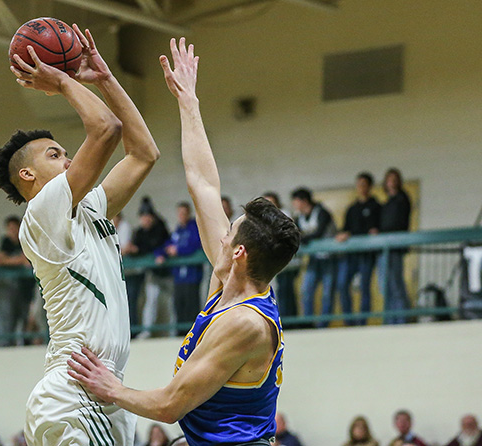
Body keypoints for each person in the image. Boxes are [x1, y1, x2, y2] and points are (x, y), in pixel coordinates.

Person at [68, 38, 300, 446]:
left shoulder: (245, 323)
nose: (222, 232)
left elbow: (170, 406)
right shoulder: (231, 278)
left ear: (240, 252)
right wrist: (188, 101)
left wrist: (109, 387)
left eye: (230, 232)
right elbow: (204, 185)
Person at [0, 24, 159, 446]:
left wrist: (105, 79)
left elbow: (144, 153)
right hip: (72, 392)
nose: (68, 161)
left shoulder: (89, 208)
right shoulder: (42, 212)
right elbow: (105, 129)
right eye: (55, 155)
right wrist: (64, 82)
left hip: (107, 392)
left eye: (68, 153)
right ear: (28, 175)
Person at [336, 172, 381, 325]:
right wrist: (343, 234)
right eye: (359, 184)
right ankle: (349, 320)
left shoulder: (376, 206)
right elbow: (345, 229)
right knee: (342, 284)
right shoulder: (352, 208)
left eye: (364, 184)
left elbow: (377, 229)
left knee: (364, 287)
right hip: (351, 254)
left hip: (367, 254)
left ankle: (363, 321)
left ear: (369, 186)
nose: (361, 188)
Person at [292, 187, 337, 328]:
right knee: (306, 290)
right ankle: (308, 322)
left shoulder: (322, 212)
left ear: (304, 201)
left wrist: (304, 238)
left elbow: (319, 232)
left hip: (329, 258)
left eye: (296, 201)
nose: (294, 205)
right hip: (314, 258)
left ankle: (324, 324)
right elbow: (296, 233)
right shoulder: (299, 218)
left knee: (327, 293)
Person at [157, 202, 203, 335]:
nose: (181, 216)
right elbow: (166, 246)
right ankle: (180, 336)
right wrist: (161, 254)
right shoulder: (177, 231)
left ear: (189, 213)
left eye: (184, 213)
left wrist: (179, 250)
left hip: (192, 277)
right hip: (178, 278)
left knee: (191, 308)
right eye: (179, 213)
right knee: (179, 307)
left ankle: (192, 337)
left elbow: (195, 245)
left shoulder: (194, 228)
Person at [128, 198, 172, 339]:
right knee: (150, 301)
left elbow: (163, 245)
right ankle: (146, 331)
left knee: (171, 303)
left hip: (167, 272)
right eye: (143, 217)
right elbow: (138, 248)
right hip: (153, 274)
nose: (145, 220)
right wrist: (134, 249)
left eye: (147, 217)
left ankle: (173, 332)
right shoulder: (140, 232)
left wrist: (160, 254)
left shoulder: (161, 228)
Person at [0, 216, 34, 345]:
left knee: (26, 316)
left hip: (27, 287)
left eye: (15, 228)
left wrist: (9, 260)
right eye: (10, 228)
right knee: (8, 317)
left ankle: (26, 343)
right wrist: (18, 260)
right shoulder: (5, 241)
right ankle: (6, 344)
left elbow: (28, 260)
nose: (13, 231)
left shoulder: (26, 239)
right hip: (9, 287)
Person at [378, 168, 412, 324]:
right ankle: (391, 319)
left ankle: (401, 319)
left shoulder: (402, 199)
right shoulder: (387, 202)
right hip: (385, 247)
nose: (391, 182)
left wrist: (381, 232)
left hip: (395, 247)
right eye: (388, 179)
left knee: (396, 284)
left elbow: (397, 223)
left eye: (394, 179)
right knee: (386, 285)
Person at [262, 193, 300, 321]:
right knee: (280, 291)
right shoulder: (262, 219)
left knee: (287, 290)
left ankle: (291, 320)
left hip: (288, 260)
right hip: (275, 261)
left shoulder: (284, 215)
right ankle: (285, 318)